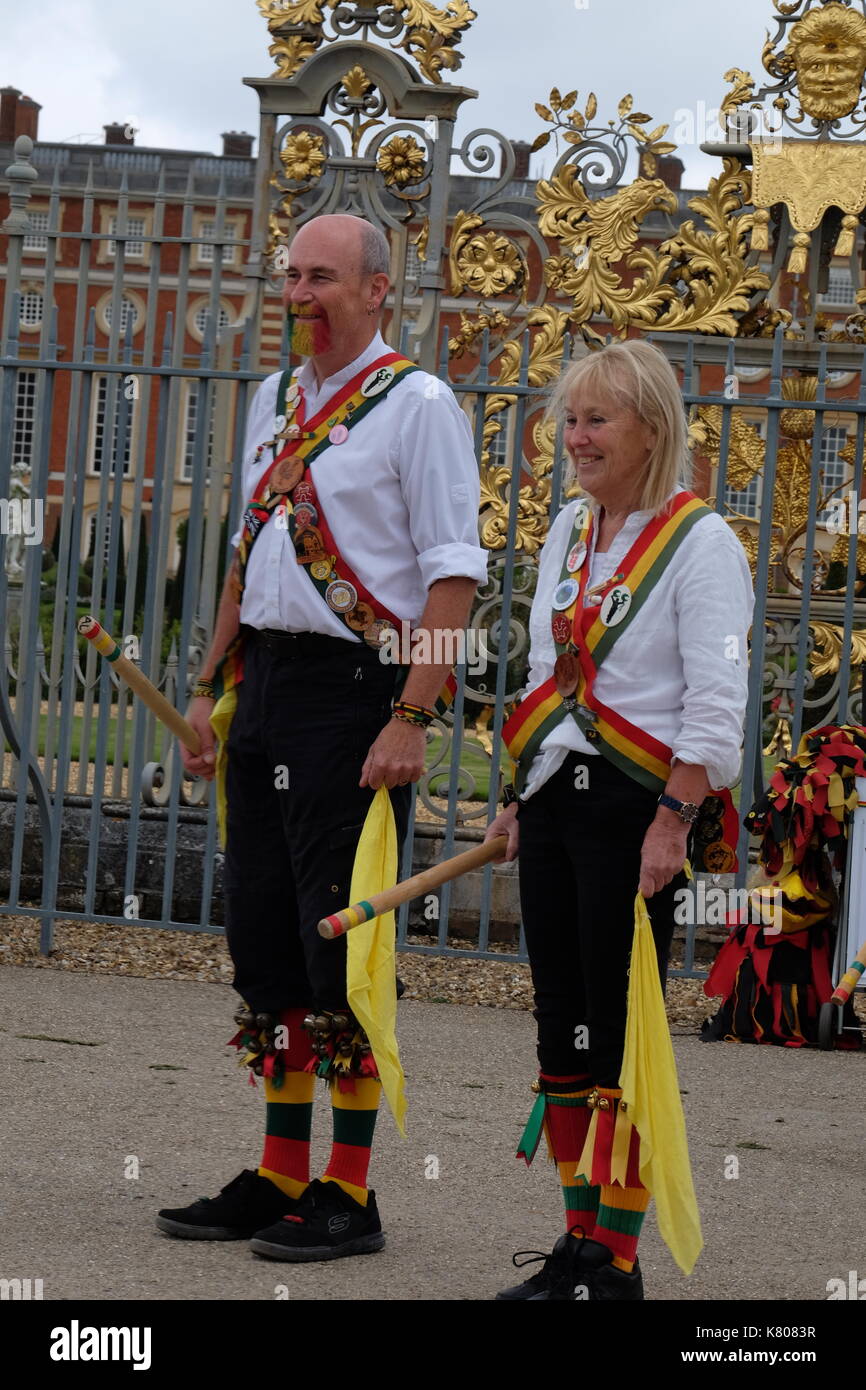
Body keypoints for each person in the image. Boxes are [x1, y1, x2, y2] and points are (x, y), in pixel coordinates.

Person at [156, 213, 487, 1262]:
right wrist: (210, 691)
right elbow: (246, 551)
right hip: (267, 686)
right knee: (262, 935)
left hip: (356, 693)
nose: (300, 293)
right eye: (291, 275)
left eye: (323, 277)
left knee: (337, 941)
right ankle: (279, 1171)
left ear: (380, 290)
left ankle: (349, 1192)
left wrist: (411, 712)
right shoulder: (272, 398)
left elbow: (451, 574)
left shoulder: (420, 404)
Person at [484, 339, 753, 1300]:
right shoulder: (569, 532)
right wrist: (521, 791)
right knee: (564, 1028)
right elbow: (540, 677)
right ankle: (576, 1240)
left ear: (652, 429)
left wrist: (674, 820)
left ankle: (616, 1259)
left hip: (637, 813)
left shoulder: (704, 544)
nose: (577, 436)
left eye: (598, 419)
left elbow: (718, 705)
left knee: (619, 1029)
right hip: (559, 801)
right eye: (572, 418)